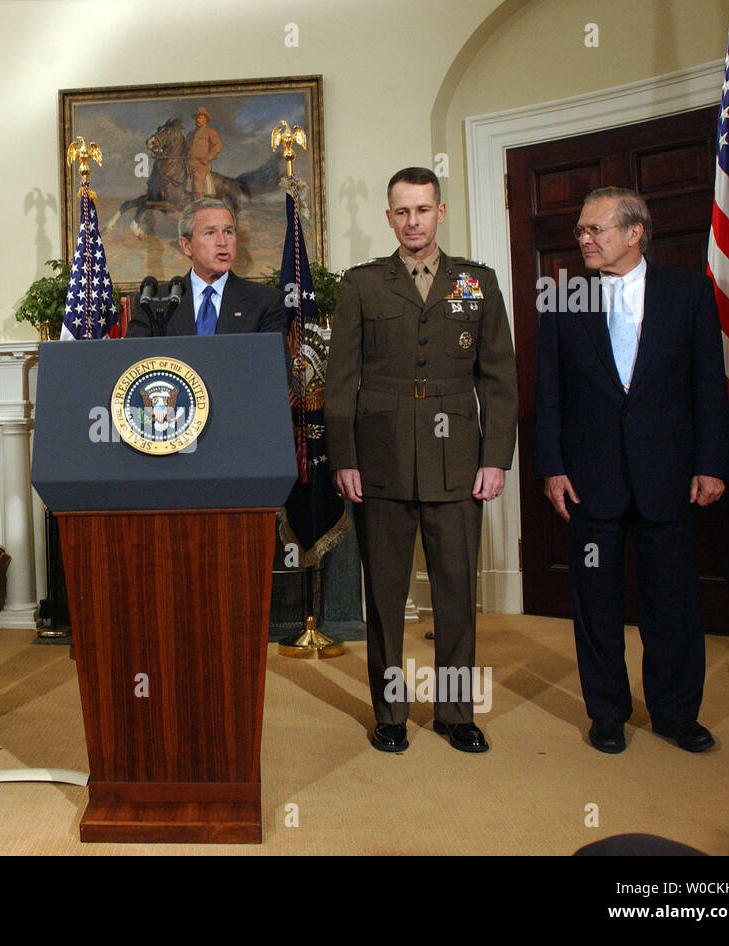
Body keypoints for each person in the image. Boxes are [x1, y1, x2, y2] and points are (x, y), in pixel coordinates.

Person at [324, 167, 518, 754]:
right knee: (383, 597)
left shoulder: (476, 284)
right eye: (402, 212)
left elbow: (500, 379)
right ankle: (390, 713)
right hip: (379, 462)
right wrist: (345, 458)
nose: (413, 221)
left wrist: (495, 458)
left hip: (458, 459)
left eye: (423, 210)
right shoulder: (362, 285)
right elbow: (340, 382)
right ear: (389, 218)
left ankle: (457, 713)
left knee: (457, 592)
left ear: (440, 212)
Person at [535, 187, 729, 754]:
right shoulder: (563, 300)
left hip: (667, 476)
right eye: (580, 232)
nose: (584, 240)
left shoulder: (688, 293)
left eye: (595, 230)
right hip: (589, 479)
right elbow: (549, 394)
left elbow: (707, 389)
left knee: (672, 603)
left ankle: (674, 713)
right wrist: (552, 467)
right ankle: (608, 714)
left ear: (635, 231)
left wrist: (712, 463)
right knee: (595, 604)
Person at [125, 198, 285, 338]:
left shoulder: (265, 302)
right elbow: (131, 364)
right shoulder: (154, 302)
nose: (222, 242)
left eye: (228, 231)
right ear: (186, 246)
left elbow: (273, 368)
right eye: (210, 233)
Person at [186, 107, 223, 199]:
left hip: (201, 163)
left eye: (201, 118)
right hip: (188, 162)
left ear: (206, 119)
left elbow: (218, 146)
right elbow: (185, 147)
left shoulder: (210, 132)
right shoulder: (190, 134)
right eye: (197, 118)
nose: (199, 120)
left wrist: (207, 158)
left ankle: (199, 203)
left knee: (197, 179)